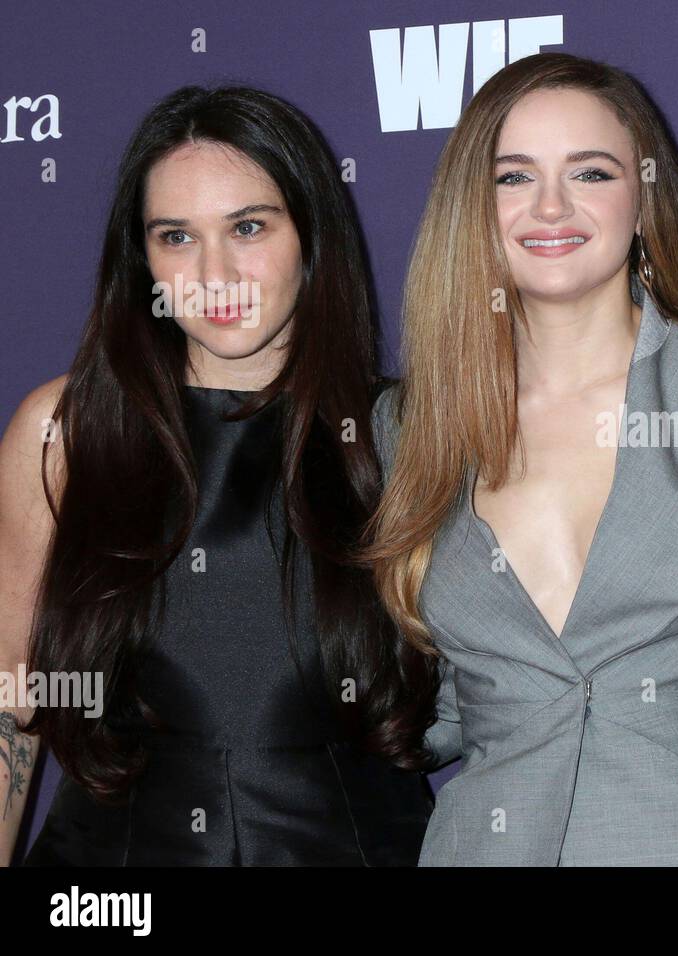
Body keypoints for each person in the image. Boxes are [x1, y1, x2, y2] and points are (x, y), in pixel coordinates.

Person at [365, 52, 678, 866]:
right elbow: (437, 704)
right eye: (513, 176)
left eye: (590, 173)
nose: (551, 206)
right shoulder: (410, 425)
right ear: (472, 207)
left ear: (643, 197)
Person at [0, 86, 435, 866]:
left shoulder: (403, 435)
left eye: (248, 226)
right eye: (176, 236)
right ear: (143, 260)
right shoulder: (64, 432)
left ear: (311, 236)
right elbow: (9, 707)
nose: (214, 271)